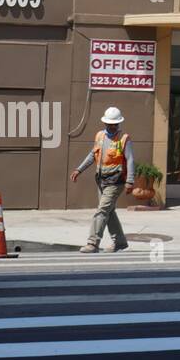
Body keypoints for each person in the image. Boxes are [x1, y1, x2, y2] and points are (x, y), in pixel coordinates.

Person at [71, 106, 135, 254]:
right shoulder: (100, 136)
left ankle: (92, 243)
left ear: (118, 124)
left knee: (102, 211)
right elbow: (92, 155)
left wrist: (130, 181)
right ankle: (120, 242)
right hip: (101, 181)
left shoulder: (124, 138)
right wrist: (79, 169)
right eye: (109, 124)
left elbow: (130, 160)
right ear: (105, 123)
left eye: (114, 124)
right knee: (109, 212)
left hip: (116, 181)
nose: (112, 127)